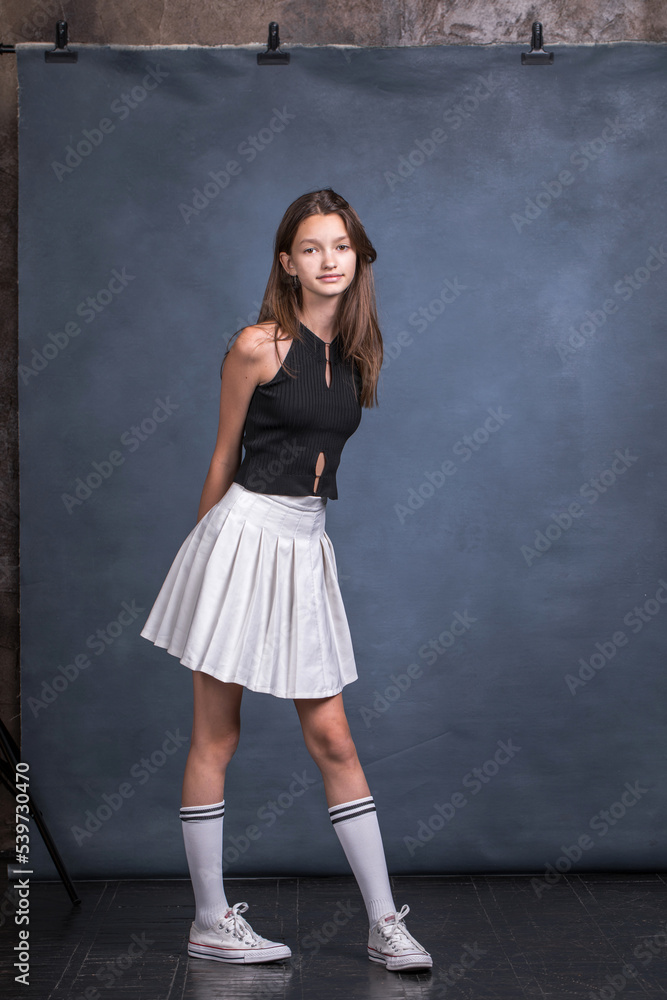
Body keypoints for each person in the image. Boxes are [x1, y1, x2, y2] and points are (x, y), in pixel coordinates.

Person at [140, 188, 432, 972]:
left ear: (357, 256)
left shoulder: (357, 352)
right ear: (287, 263)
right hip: (242, 537)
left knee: (332, 734)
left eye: (339, 245)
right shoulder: (257, 345)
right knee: (217, 734)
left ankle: (383, 924)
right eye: (310, 248)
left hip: (306, 545)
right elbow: (220, 456)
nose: (327, 259)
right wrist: (197, 566)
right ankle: (208, 920)